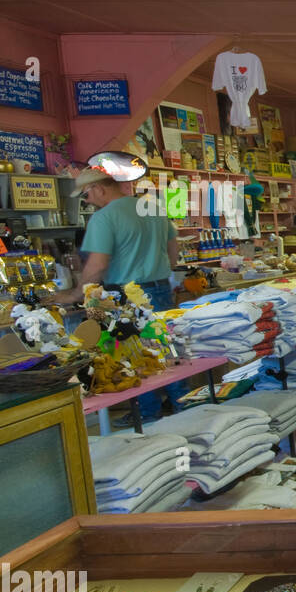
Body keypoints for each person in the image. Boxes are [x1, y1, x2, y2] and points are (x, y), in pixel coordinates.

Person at [54, 165, 183, 422]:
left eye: (86, 195)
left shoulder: (103, 218)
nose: (87, 202)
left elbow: (98, 264)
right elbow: (173, 252)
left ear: (99, 188)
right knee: (167, 350)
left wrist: (77, 294)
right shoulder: (150, 207)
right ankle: (186, 404)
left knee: (134, 356)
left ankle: (146, 413)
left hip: (125, 294)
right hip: (160, 288)